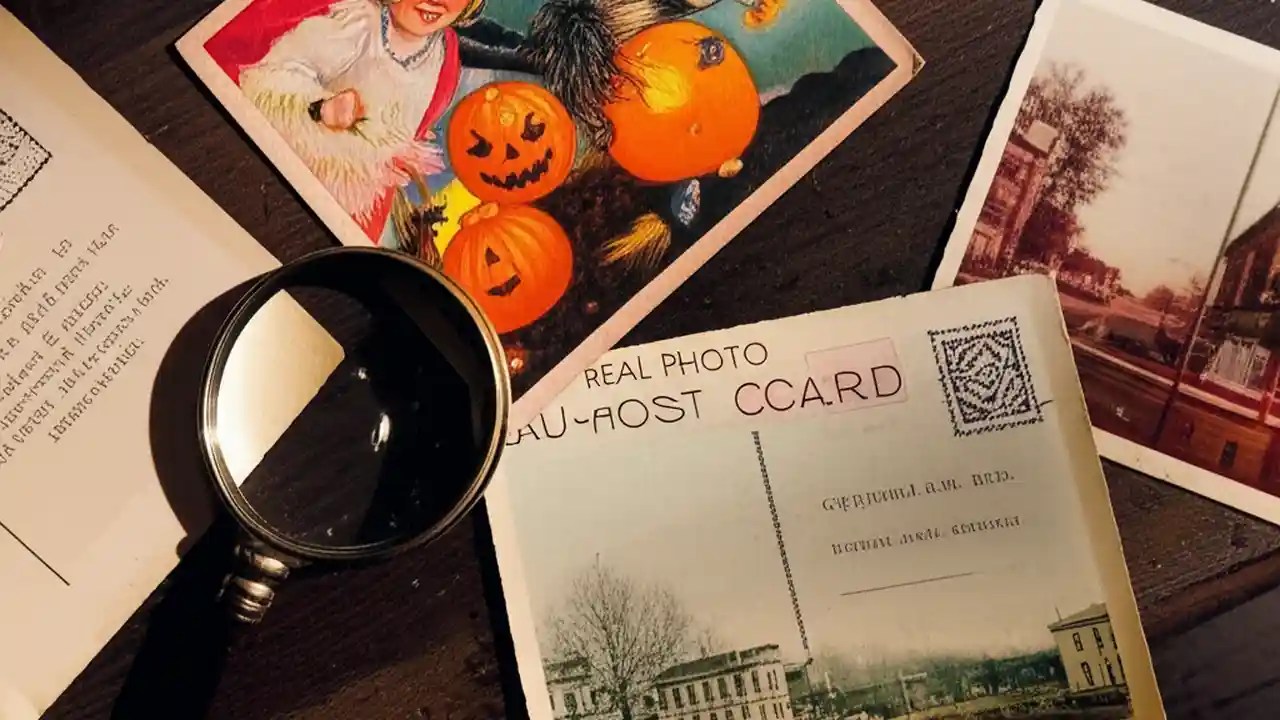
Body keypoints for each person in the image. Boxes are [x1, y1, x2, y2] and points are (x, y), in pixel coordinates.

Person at [236, 0, 485, 241]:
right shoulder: (358, 22)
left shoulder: (444, 51)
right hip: (295, 181)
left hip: (364, 205)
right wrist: (320, 109)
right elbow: (272, 77)